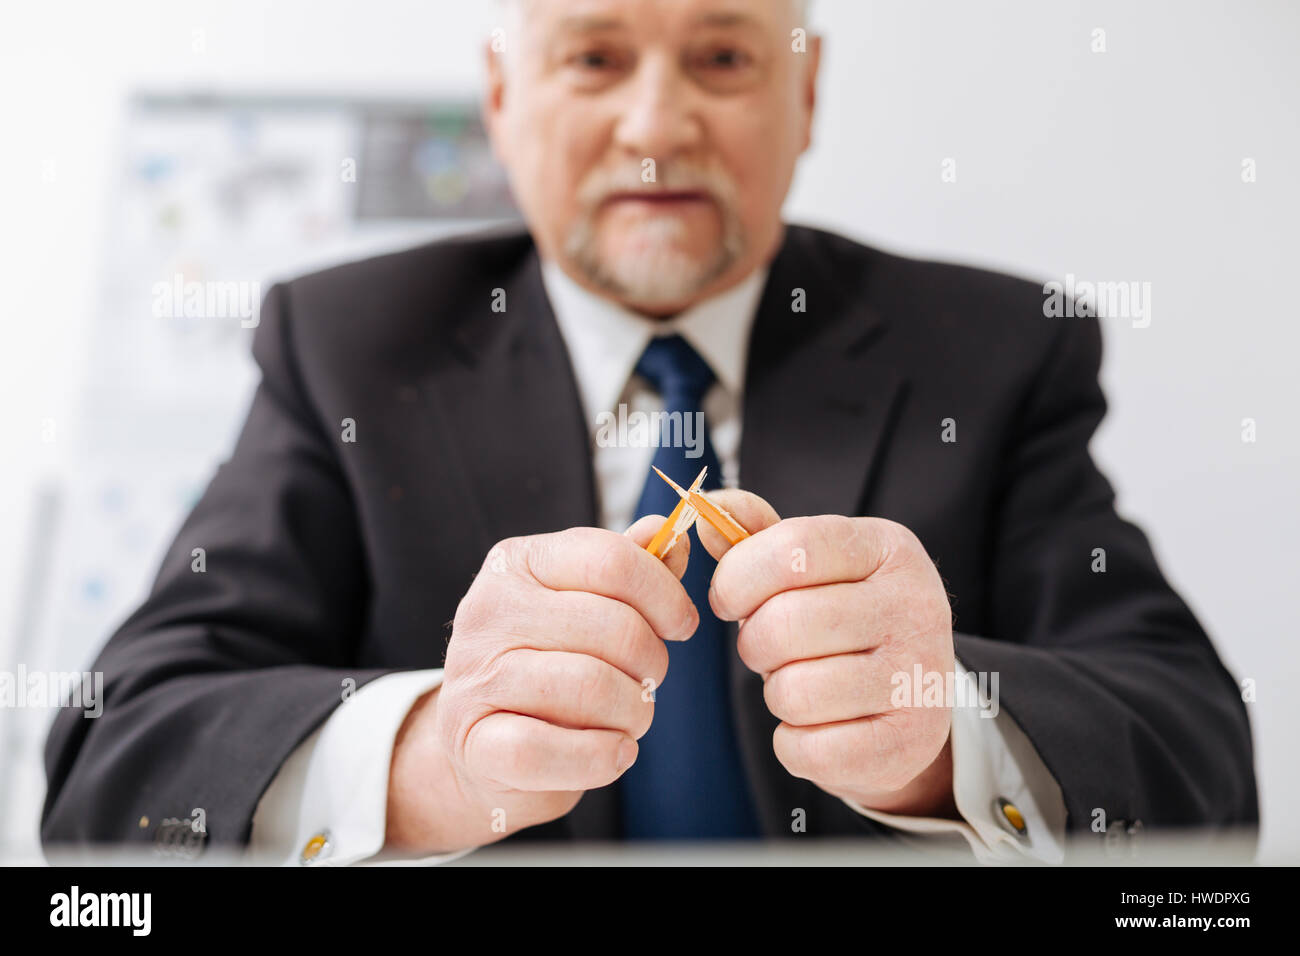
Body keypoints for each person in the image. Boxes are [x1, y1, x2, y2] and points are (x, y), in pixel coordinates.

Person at [42, 0, 1256, 865]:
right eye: (594, 57)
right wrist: (436, 760)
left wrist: (945, 735)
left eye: (724, 55)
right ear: (506, 97)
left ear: (807, 92)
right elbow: (114, 762)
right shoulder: (347, 344)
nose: (656, 125)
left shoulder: (992, 349)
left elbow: (1199, 746)